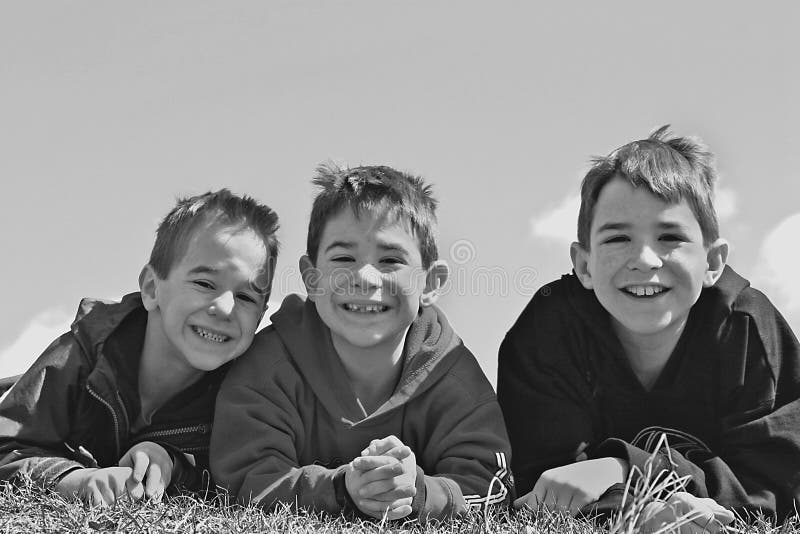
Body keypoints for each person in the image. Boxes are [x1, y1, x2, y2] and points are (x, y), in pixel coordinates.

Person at [498, 126, 800, 521]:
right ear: (584, 265)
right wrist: (648, 508)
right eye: (617, 239)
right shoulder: (548, 332)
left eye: (670, 237)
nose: (644, 259)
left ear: (712, 262)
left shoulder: (746, 329)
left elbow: (777, 482)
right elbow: (548, 482)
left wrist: (623, 467)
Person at [211, 164, 512, 521]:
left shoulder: (451, 372)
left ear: (430, 283)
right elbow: (241, 479)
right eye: (343, 258)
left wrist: (419, 493)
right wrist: (340, 488)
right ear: (311, 278)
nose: (365, 277)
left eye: (390, 260)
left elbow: (492, 487)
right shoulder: (269, 366)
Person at [0, 189, 279, 507]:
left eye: (246, 297)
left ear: (260, 316)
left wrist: (169, 461)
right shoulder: (84, 352)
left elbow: (226, 478)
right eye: (205, 284)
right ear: (151, 288)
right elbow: (8, 446)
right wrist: (77, 481)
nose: (226, 308)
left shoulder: (243, 393)